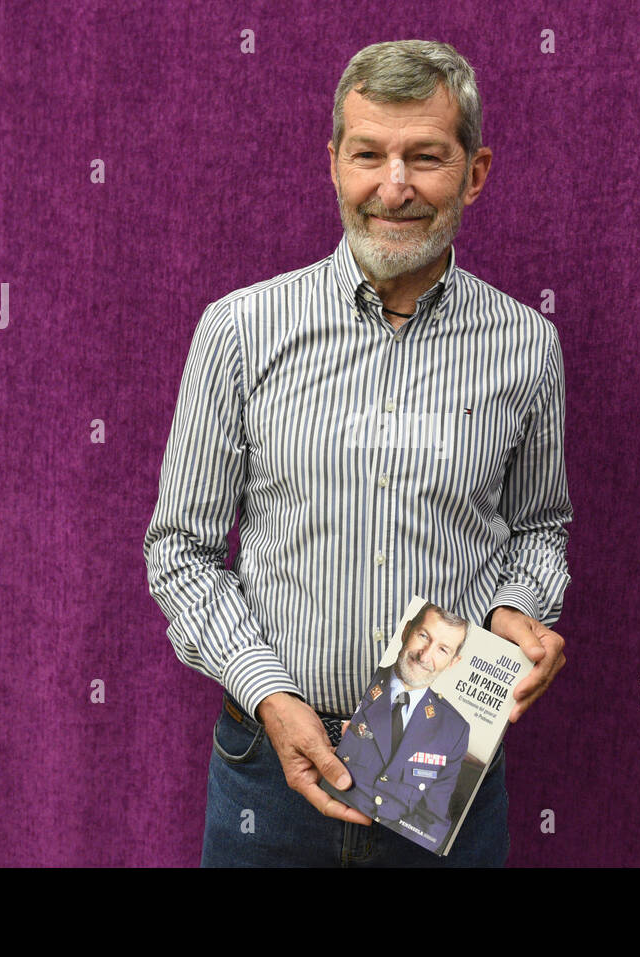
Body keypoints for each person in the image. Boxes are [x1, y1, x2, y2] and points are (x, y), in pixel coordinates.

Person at [144, 39, 572, 868]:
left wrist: (522, 606)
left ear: (475, 173)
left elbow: (540, 526)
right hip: (268, 770)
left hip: (444, 757)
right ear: (335, 162)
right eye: (369, 153)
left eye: (426, 157)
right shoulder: (240, 332)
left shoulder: (527, 345)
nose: (395, 185)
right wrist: (269, 695)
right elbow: (180, 552)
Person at [326, 603, 471, 850]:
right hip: (323, 820)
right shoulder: (360, 680)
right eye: (423, 636)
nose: (425, 656)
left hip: (397, 850)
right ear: (406, 632)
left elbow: (432, 820)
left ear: (453, 662)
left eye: (443, 649)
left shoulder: (454, 729)